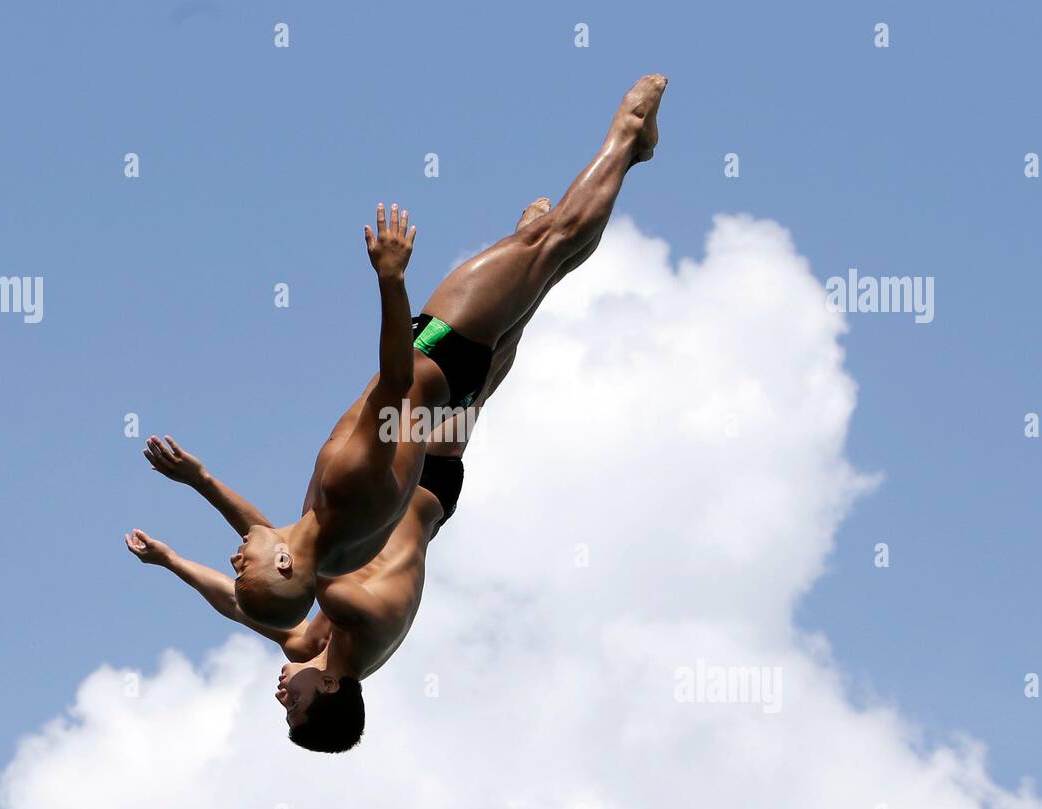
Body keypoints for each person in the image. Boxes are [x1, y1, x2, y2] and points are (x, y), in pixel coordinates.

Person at [152, 75, 668, 633]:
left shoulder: (333, 551)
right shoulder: (345, 485)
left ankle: (619, 163)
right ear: (282, 563)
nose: (233, 559)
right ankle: (629, 135)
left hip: (451, 396)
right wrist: (391, 280)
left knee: (546, 267)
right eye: (242, 569)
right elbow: (396, 385)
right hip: (437, 353)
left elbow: (271, 538)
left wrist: (202, 480)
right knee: (548, 240)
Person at [125, 194, 603, 752]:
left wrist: (171, 561)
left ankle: (531, 266)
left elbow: (245, 595)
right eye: (295, 708)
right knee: (505, 301)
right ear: (329, 686)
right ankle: (615, 154)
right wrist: (391, 282)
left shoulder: (311, 643)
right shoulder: (359, 618)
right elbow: (287, 555)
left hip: (424, 484)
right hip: (423, 476)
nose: (282, 699)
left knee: (498, 340)